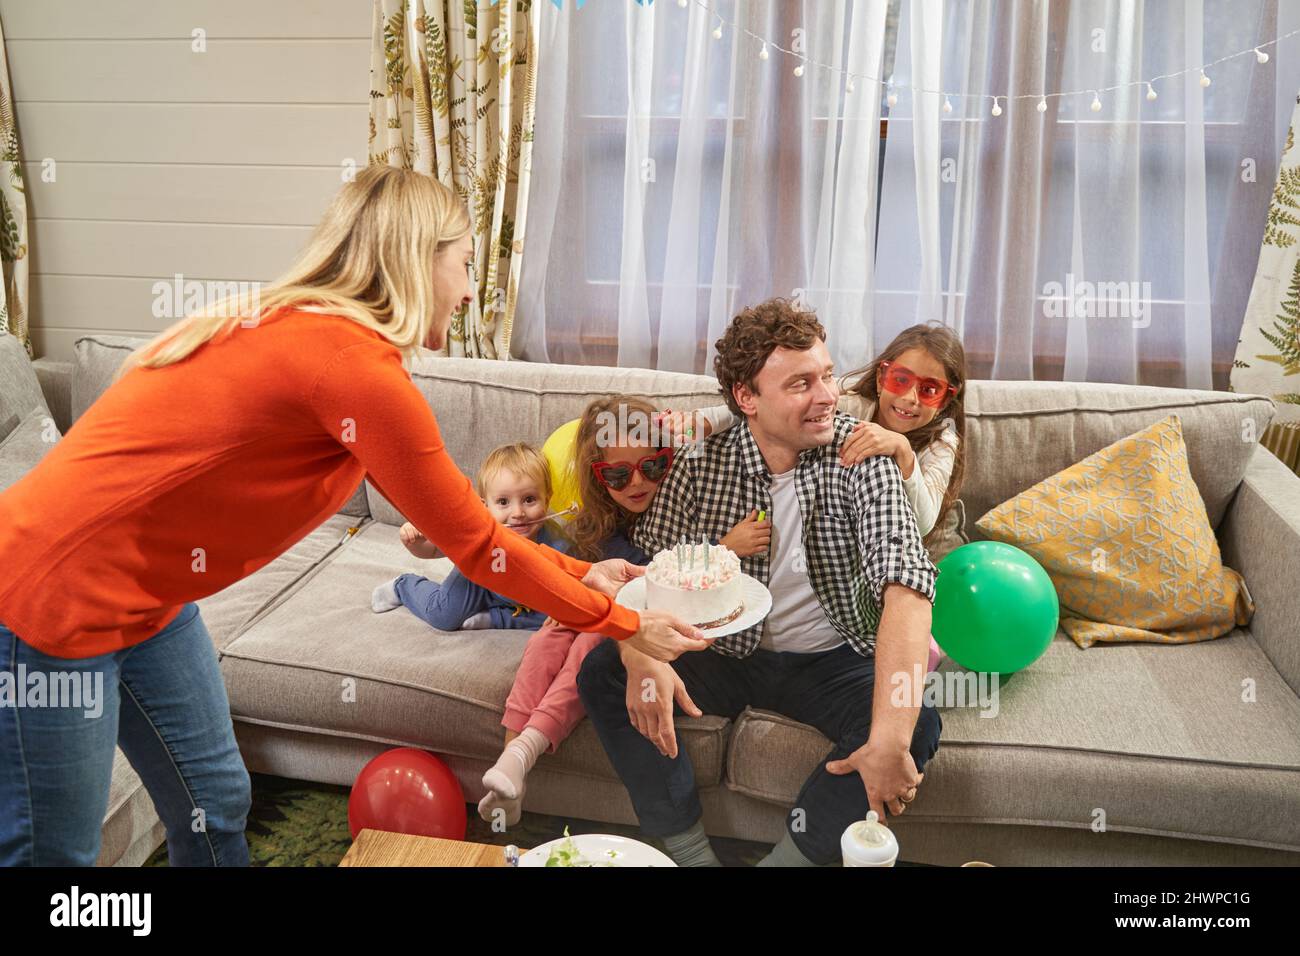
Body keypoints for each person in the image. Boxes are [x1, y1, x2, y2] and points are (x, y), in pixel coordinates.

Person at [0, 165, 706, 867]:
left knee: (213, 800)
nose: (467, 290)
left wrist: (593, 577)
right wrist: (625, 621)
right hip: (46, 600)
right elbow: (480, 550)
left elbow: (484, 537)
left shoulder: (333, 345)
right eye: (463, 265)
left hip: (150, 600)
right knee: (51, 854)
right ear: (416, 258)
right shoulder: (348, 366)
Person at [577, 297, 943, 867]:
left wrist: (891, 740)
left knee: (915, 717)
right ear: (747, 398)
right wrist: (636, 647)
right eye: (801, 384)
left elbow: (907, 585)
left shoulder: (861, 454)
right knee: (603, 672)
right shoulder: (700, 463)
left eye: (826, 376)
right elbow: (644, 570)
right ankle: (687, 852)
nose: (827, 396)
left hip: (828, 659)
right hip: (723, 647)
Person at [477, 396, 763, 826]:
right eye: (616, 473)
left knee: (593, 643)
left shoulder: (686, 488)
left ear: (667, 455)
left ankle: (527, 749)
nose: (636, 483)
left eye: (651, 466)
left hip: (648, 627)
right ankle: (509, 769)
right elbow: (603, 575)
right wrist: (568, 600)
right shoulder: (598, 523)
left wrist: (695, 424)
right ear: (597, 475)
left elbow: (748, 404)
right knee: (548, 638)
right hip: (604, 602)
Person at [661, 321, 968, 670]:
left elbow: (922, 525)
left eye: (930, 390)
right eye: (900, 380)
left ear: (947, 399)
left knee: (914, 646)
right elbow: (763, 408)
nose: (910, 398)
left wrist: (904, 453)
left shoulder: (937, 443)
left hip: (912, 547)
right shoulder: (846, 406)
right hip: (738, 643)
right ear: (883, 375)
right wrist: (704, 421)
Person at [371, 442, 572, 630]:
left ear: (547, 499)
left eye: (529, 499)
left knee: (561, 619)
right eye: (503, 502)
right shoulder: (478, 532)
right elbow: (432, 550)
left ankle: (496, 618)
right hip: (479, 582)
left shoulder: (558, 544)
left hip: (523, 599)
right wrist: (415, 542)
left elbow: (575, 585)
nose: (518, 513)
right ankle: (403, 586)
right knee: (442, 616)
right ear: (485, 506)